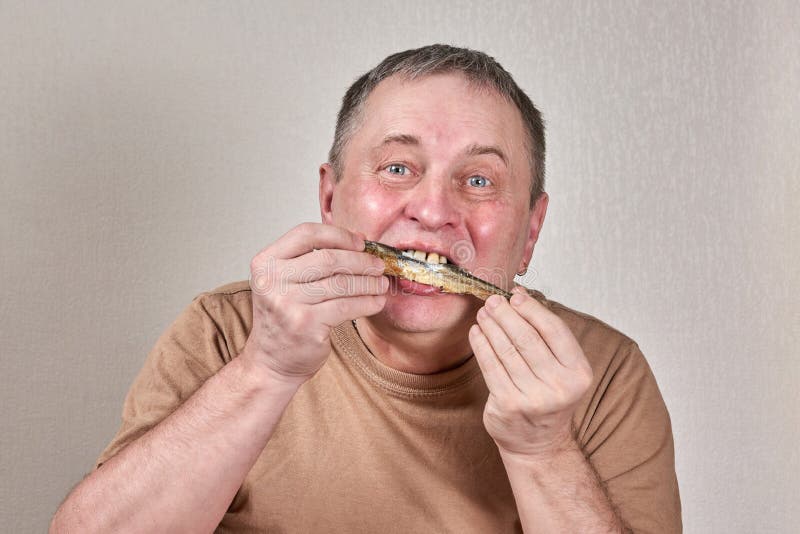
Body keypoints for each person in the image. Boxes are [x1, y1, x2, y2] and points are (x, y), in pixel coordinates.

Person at [51, 44, 681, 533]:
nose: (434, 211)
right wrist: (265, 371)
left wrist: (544, 451)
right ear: (331, 198)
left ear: (531, 230)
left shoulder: (603, 372)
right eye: (397, 168)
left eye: (481, 180)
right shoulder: (228, 332)